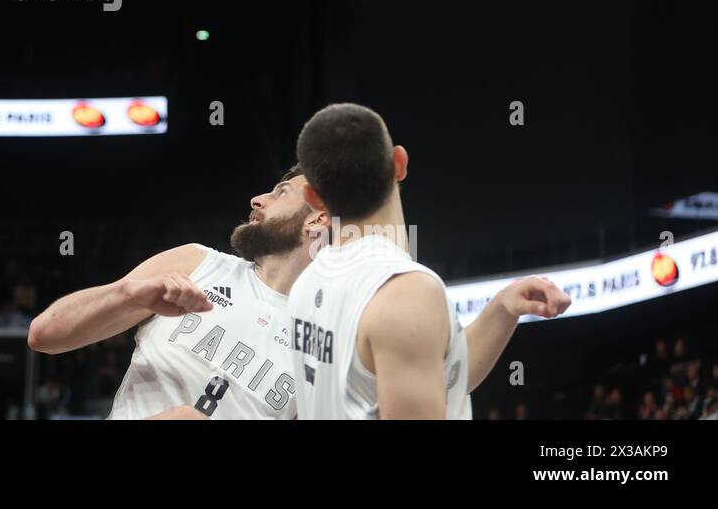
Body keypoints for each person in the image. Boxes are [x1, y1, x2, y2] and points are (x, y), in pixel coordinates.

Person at [286, 103, 571, 419]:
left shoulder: (308, 282)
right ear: (399, 162)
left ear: (313, 197)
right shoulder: (406, 294)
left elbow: (429, 370)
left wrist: (503, 307)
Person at [28, 165, 329, 419]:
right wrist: (128, 294)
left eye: (281, 192)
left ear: (317, 218)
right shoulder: (196, 263)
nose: (257, 199)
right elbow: (44, 335)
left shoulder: (327, 344)